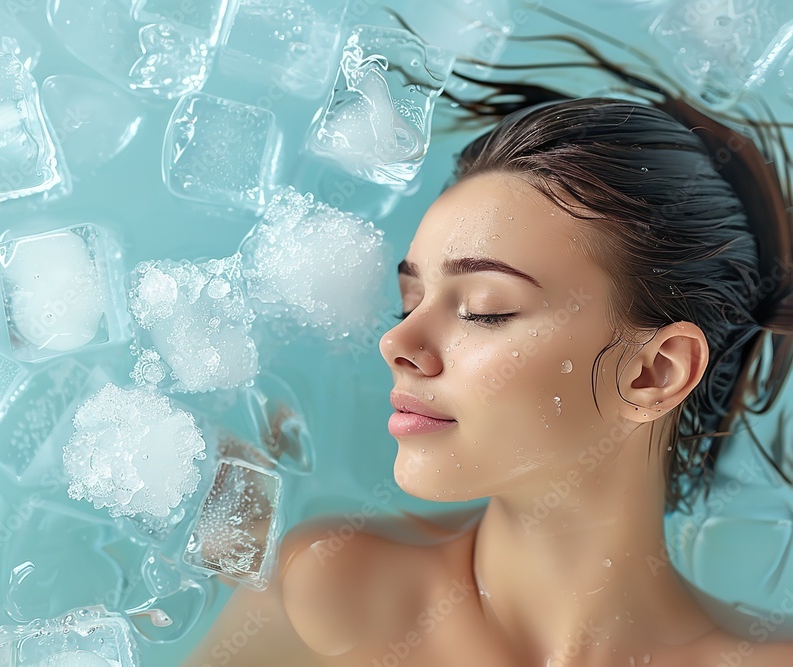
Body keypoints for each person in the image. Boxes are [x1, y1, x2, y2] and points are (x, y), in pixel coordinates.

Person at [182, 81, 793, 667]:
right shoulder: (331, 595)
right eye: (410, 301)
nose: (397, 341)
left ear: (654, 373)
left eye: (484, 310)